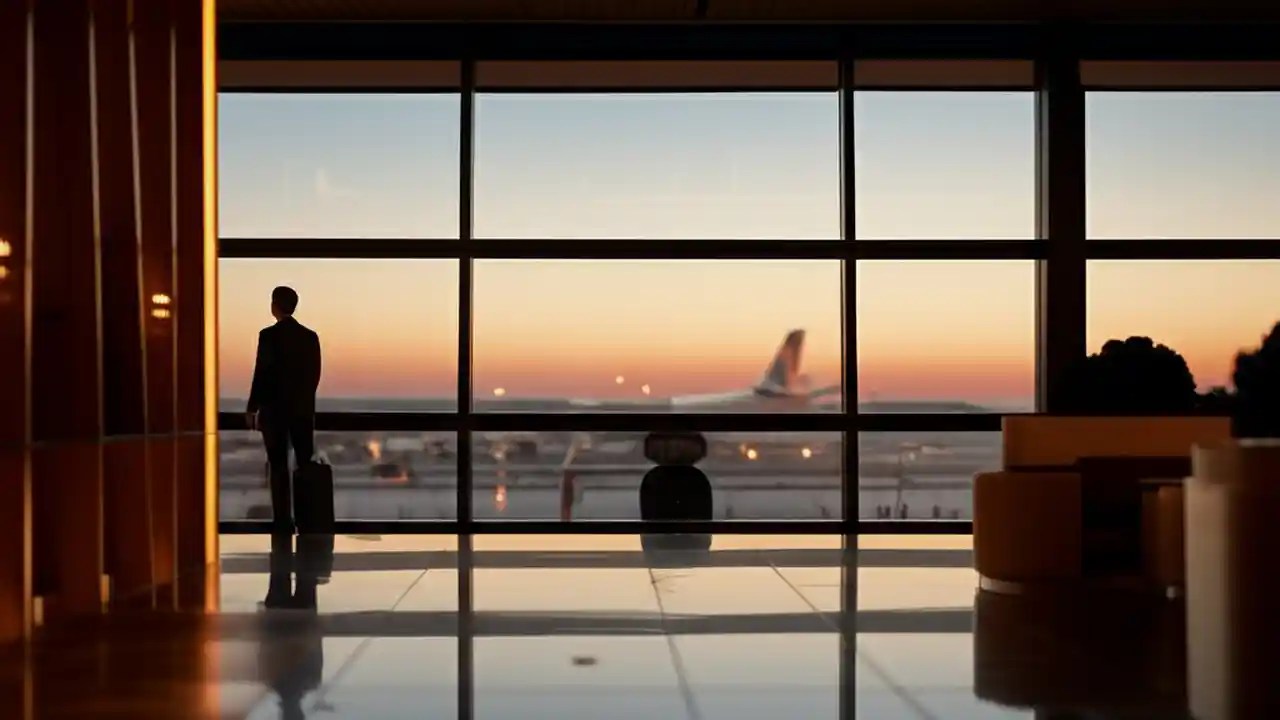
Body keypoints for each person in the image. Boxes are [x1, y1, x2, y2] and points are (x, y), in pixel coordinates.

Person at [247, 286, 322, 534]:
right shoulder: (310, 337)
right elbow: (314, 376)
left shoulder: (268, 336)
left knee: (278, 467)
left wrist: (252, 407)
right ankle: (308, 518)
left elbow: (262, 373)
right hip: (301, 411)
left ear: (275, 305)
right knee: (304, 466)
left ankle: (283, 521)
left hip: (274, 412)